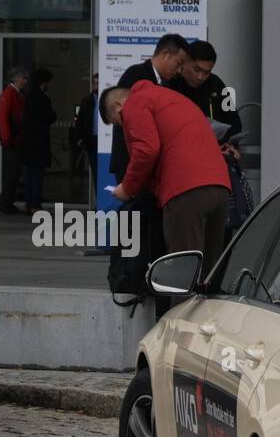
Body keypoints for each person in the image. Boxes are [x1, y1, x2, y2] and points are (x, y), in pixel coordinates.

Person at [101, 82, 231, 274]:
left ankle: (181, 305)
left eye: (119, 122)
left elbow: (147, 149)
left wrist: (127, 189)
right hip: (220, 186)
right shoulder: (171, 98)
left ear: (119, 106)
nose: (123, 126)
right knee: (209, 271)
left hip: (185, 189)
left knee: (183, 272)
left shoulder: (135, 102)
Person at [109, 33, 189, 183]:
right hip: (132, 162)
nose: (179, 70)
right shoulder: (135, 75)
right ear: (165, 54)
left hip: (156, 166)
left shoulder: (173, 84)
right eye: (178, 63)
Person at [169, 40, 242, 150]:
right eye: (196, 69)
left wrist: (229, 144)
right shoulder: (170, 84)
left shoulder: (216, 84)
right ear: (184, 62)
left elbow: (235, 123)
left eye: (206, 72)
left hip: (215, 150)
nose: (200, 77)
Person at [20, 68, 56, 214]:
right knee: (37, 175)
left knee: (29, 175)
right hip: (39, 142)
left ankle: (29, 203)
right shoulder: (42, 98)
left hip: (28, 142)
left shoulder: (28, 96)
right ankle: (35, 204)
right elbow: (51, 116)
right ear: (43, 83)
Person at [0, 67, 29, 213]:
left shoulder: (15, 93)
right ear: (16, 79)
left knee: (14, 173)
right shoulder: (9, 93)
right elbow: (3, 117)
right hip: (12, 141)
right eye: (23, 78)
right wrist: (6, 138)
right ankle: (4, 202)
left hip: (15, 139)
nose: (25, 81)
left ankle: (7, 201)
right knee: (12, 173)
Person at [75, 73, 99, 194]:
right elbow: (80, 121)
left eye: (98, 83)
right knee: (95, 172)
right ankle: (98, 201)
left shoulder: (107, 100)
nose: (96, 86)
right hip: (92, 140)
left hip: (104, 141)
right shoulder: (87, 101)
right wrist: (80, 138)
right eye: (94, 83)